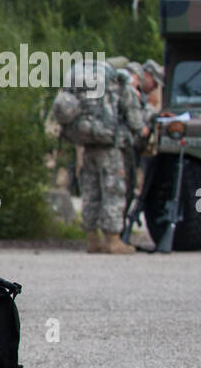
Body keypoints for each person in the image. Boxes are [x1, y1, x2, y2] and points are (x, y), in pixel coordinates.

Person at [53, 59, 144, 254]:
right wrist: (138, 131)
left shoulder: (87, 79)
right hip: (110, 146)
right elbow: (134, 116)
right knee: (113, 191)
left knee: (90, 191)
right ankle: (113, 240)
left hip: (87, 144)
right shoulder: (119, 81)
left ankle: (92, 239)